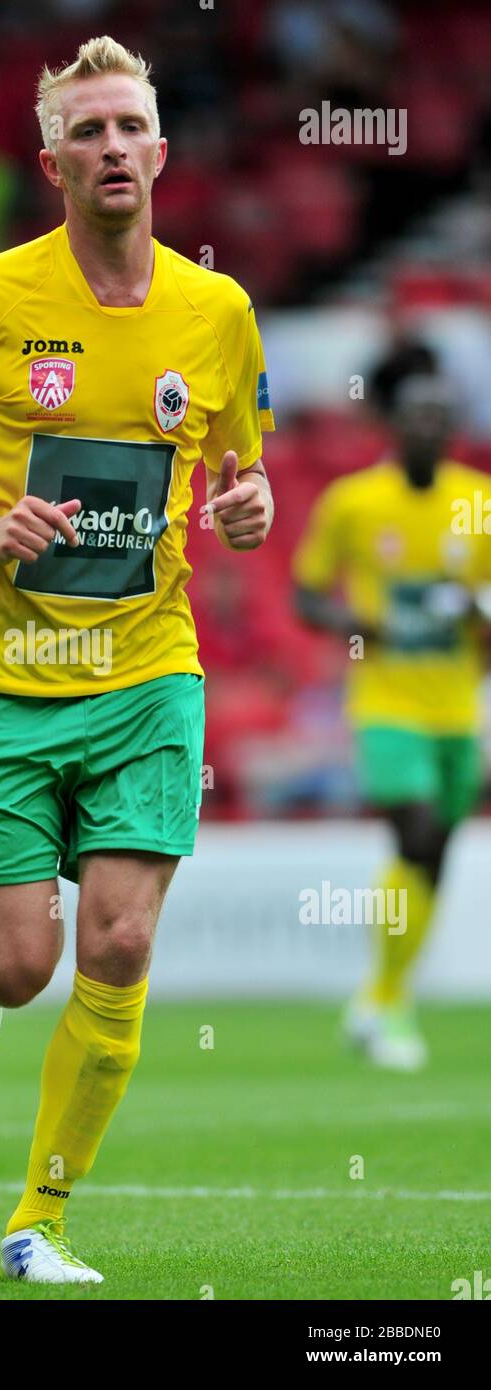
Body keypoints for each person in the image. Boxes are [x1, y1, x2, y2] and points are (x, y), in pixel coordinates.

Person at [0, 35, 275, 1284]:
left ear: (159, 150)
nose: (108, 147)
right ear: (51, 162)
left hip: (147, 672)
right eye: (83, 131)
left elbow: (237, 472)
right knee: (21, 964)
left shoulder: (219, 313)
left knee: (123, 944)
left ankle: (35, 1220)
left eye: (126, 126)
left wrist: (247, 504)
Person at [293, 375, 491, 1070]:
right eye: (417, 416)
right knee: (415, 827)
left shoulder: (479, 502)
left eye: (442, 417)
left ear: (455, 427)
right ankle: (391, 1003)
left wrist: (478, 615)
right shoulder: (353, 503)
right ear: (393, 425)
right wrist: (351, 622)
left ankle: (379, 996)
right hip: (386, 705)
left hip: (459, 709)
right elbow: (306, 592)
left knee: (432, 852)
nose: (429, 429)